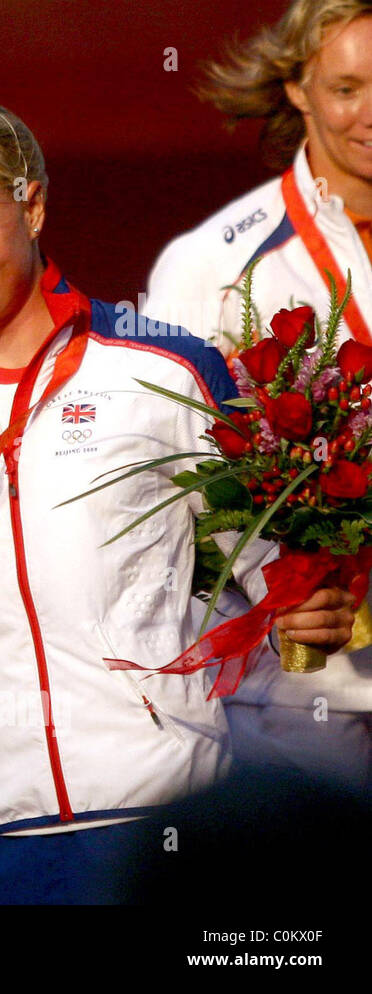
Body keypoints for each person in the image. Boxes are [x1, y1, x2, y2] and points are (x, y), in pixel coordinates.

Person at [0, 91, 357, 903]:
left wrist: (301, 606)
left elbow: (266, 571)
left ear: (31, 205)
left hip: (158, 807)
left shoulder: (163, 371)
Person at [146, 0, 372, 791]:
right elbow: (171, 478)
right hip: (303, 692)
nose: (370, 114)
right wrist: (273, 589)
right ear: (300, 90)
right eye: (347, 88)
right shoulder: (210, 264)